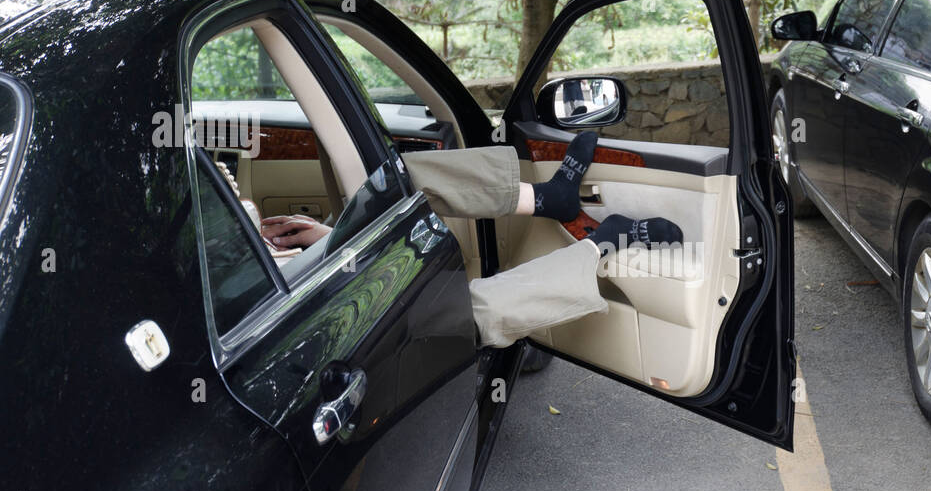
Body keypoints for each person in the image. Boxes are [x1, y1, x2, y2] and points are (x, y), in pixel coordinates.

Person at [259, 131, 683, 347]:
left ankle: (547, 197)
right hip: (290, 332)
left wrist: (328, 243)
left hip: (281, 284)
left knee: (389, 184)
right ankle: (604, 243)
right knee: (464, 312)